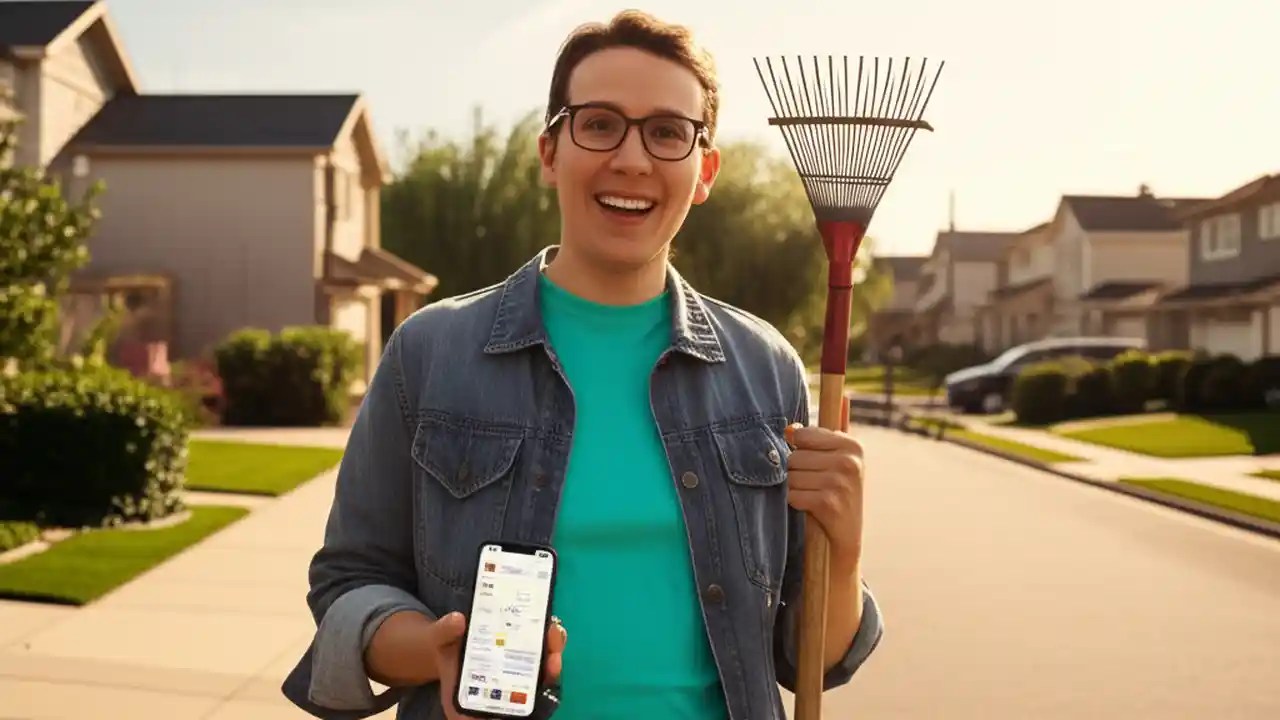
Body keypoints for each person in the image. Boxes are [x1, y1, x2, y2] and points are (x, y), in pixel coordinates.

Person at [282, 9, 883, 720]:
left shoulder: (766, 369)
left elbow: (811, 659)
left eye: (668, 132)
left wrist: (843, 552)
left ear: (704, 171)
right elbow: (351, 583)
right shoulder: (430, 352)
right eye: (599, 124)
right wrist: (438, 651)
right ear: (550, 153)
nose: (631, 159)